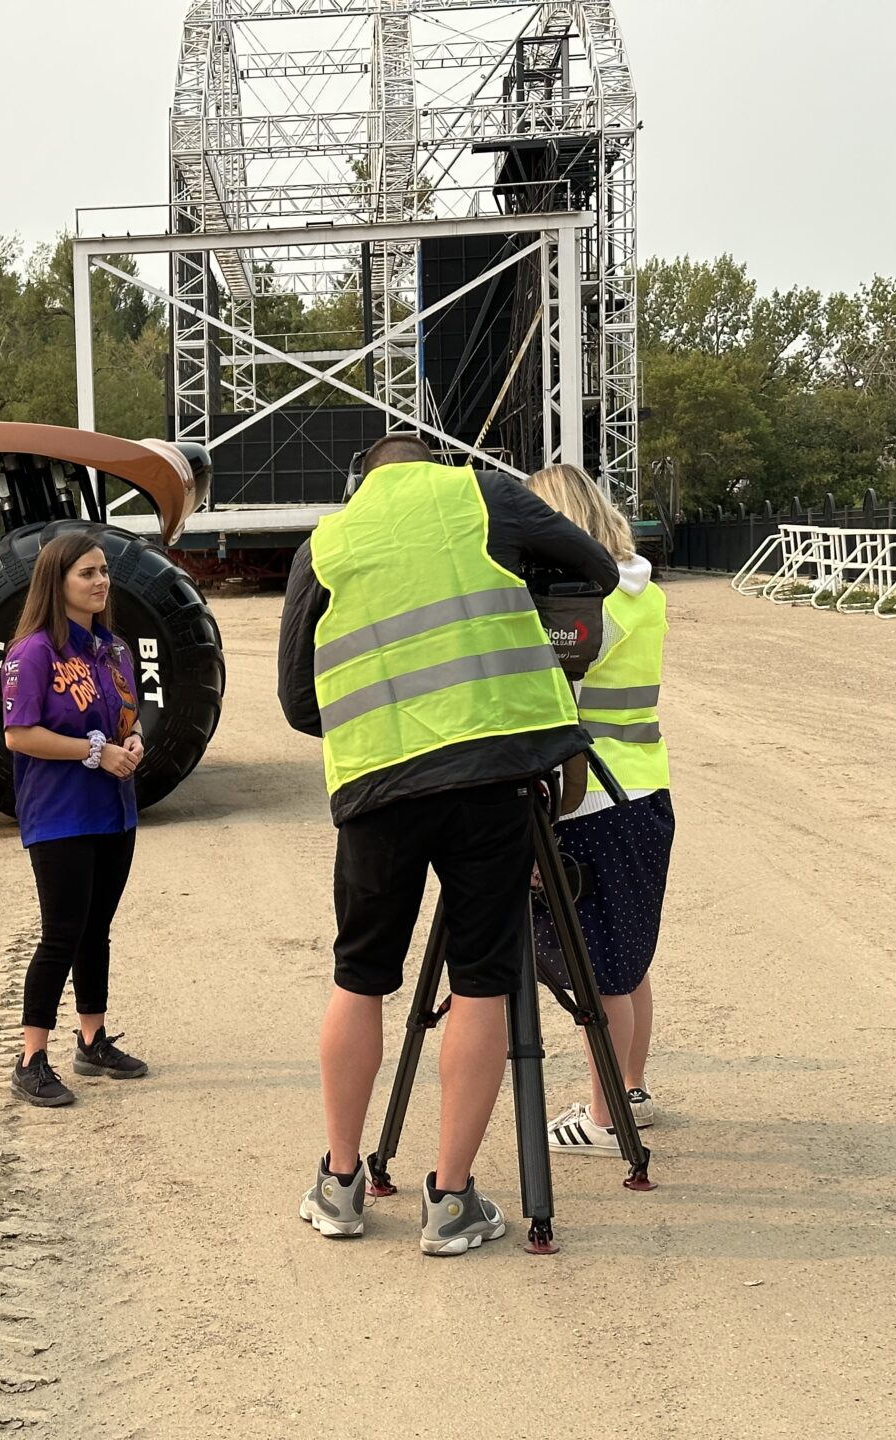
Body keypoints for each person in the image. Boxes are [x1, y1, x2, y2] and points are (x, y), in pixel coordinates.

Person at [277, 435, 618, 1254]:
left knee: (359, 977)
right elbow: (597, 569)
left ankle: (340, 1182)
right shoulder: (483, 497)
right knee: (481, 983)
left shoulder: (324, 546)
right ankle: (452, 1199)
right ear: (433, 462)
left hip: (376, 787)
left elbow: (298, 701)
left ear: (364, 478)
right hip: (492, 774)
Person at [522, 464, 675, 1155]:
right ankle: (630, 1087)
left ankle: (605, 1115)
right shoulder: (642, 592)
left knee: (597, 966)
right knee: (629, 957)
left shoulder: (580, 610)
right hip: (644, 786)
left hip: (588, 798)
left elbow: (549, 707)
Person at [0, 528, 150, 1107]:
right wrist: (94, 752)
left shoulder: (113, 650)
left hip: (114, 812)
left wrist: (132, 742)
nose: (101, 581)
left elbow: (128, 717)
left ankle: (92, 1040)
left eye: (104, 571)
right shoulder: (32, 652)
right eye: (87, 573)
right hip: (60, 815)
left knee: (97, 930)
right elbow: (19, 734)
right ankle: (31, 1057)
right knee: (62, 933)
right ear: (56, 582)